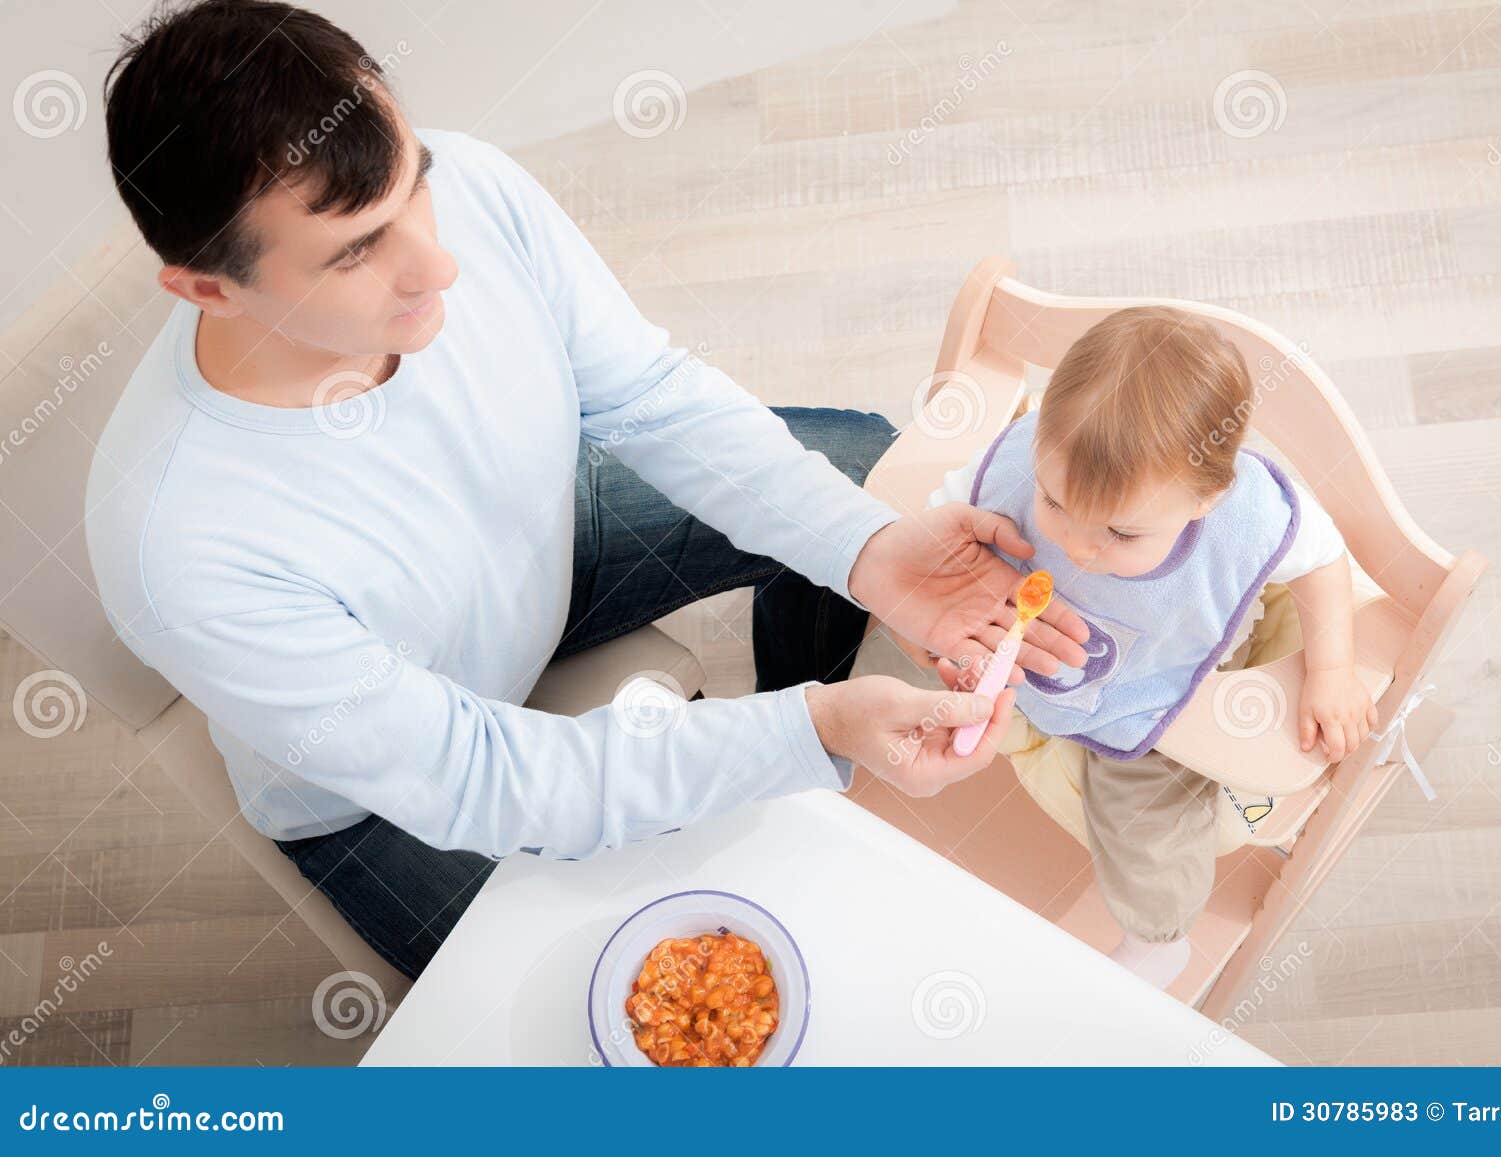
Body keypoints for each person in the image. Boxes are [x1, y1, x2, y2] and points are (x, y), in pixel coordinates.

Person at [85, 0, 1087, 978]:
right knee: (614, 1010)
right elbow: (478, 772)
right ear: (206, 288)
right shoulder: (180, 544)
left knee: (859, 467)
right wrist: (810, 733)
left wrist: (868, 556)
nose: (437, 262)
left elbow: (649, 397)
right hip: (386, 797)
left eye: (413, 186)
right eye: (355, 250)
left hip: (543, 543)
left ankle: (800, 743)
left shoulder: (469, 184)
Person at [930, 306, 1375, 990]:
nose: (1079, 545)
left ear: (1208, 499)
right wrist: (959, 590)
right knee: (900, 663)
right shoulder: (1038, 451)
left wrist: (1333, 668)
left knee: (1149, 823)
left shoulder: (1244, 518)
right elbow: (944, 516)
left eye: (1120, 532)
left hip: (1161, 677)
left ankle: (1157, 938)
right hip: (1015, 634)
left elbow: (1321, 563)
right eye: (1054, 503)